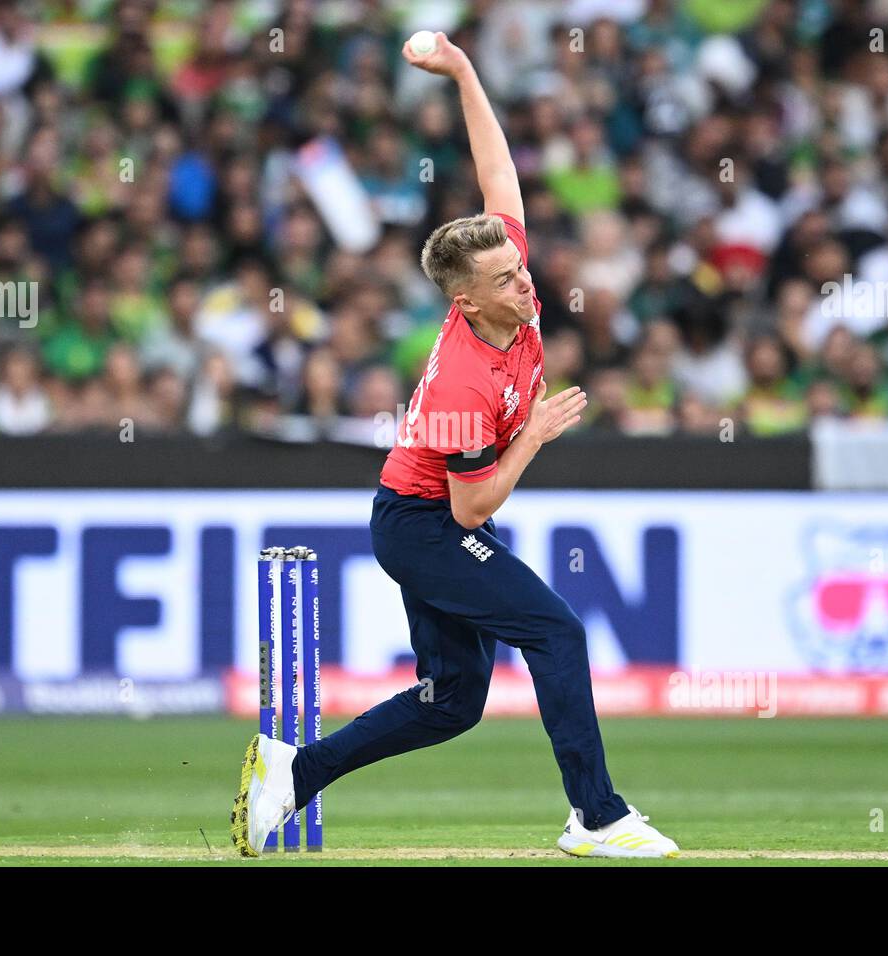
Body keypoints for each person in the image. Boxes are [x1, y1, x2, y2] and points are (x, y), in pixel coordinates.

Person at [231, 32, 679, 860]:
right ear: (467, 303)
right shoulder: (456, 389)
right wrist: (536, 435)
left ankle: (296, 773)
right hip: (423, 524)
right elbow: (473, 504)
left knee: (451, 701)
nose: (528, 283)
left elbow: (496, 172)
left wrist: (465, 71)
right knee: (557, 632)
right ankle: (596, 816)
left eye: (521, 267)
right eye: (507, 279)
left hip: (437, 520)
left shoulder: (506, 288)